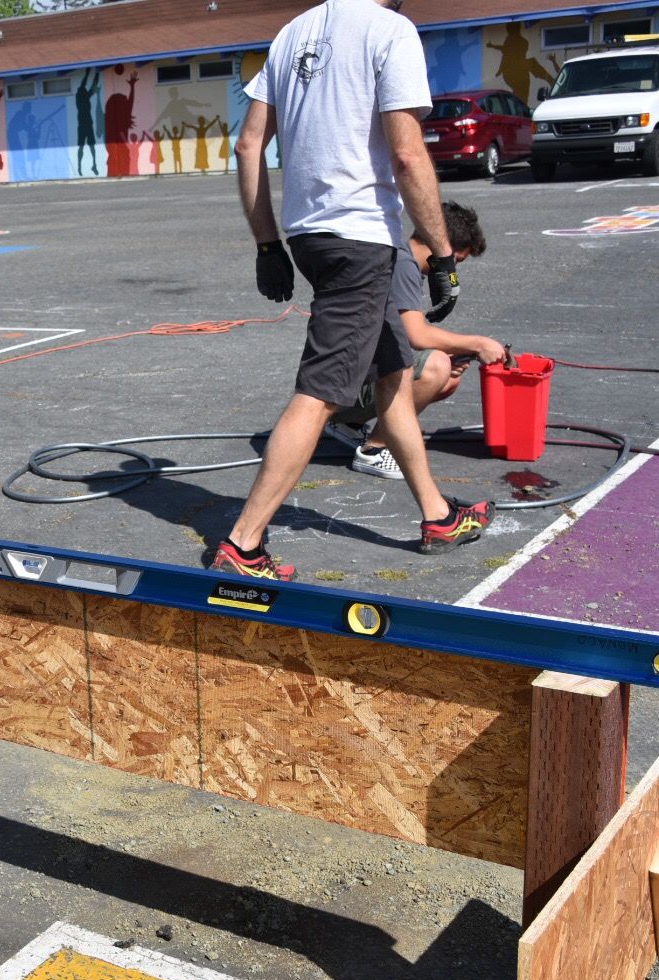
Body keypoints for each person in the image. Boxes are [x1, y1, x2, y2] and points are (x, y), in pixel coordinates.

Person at [213, 0, 491, 580]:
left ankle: (438, 516)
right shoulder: (390, 31)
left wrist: (268, 244)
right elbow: (408, 154)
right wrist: (442, 254)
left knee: (393, 373)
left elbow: (247, 147)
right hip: (361, 236)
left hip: (312, 234)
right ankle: (243, 544)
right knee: (321, 392)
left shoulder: (292, 33)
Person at [327, 201, 507, 480]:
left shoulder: (405, 259)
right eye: (455, 262)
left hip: (346, 380)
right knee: (435, 367)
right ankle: (373, 450)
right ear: (442, 247)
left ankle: (349, 423)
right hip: (338, 388)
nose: (453, 272)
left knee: (447, 376)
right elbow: (416, 334)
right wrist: (478, 344)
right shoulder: (403, 264)